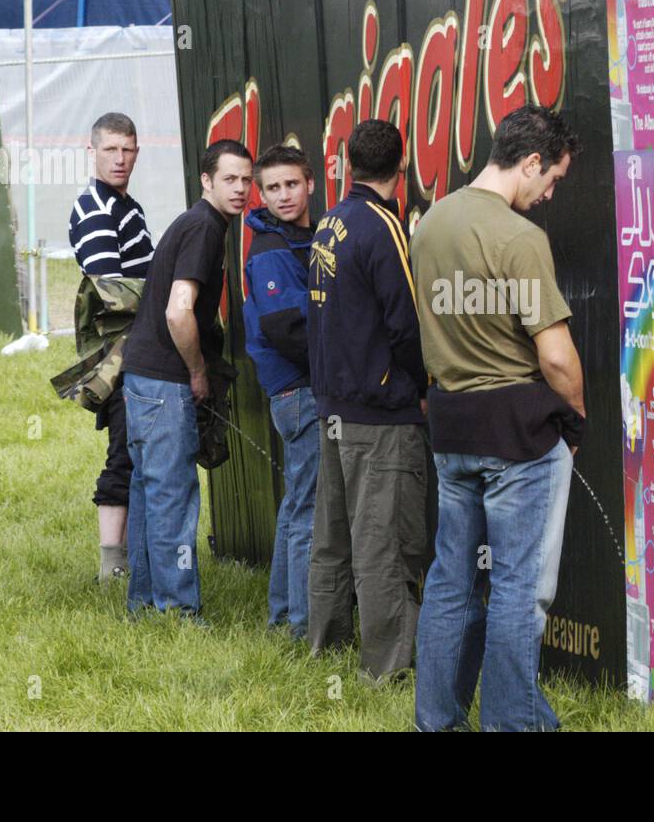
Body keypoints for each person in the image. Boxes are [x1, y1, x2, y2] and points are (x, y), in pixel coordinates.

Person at [411, 105, 586, 732]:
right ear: (531, 161)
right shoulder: (518, 237)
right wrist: (577, 419)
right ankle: (515, 725)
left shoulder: (430, 222)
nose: (549, 193)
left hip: (452, 429)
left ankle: (436, 719)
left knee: (451, 581)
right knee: (517, 590)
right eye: (554, 179)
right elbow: (557, 354)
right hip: (517, 432)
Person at [306, 119, 428, 681]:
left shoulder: (330, 221)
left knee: (333, 536)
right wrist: (421, 387)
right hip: (378, 414)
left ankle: (324, 646)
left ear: (346, 166)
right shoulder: (384, 225)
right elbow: (405, 323)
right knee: (382, 541)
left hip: (332, 404)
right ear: (401, 170)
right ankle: (385, 668)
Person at [120, 139, 252, 618]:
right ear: (206, 181)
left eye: (245, 179)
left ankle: (146, 606)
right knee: (173, 496)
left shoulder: (197, 223)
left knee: (149, 493)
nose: (240, 189)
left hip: (140, 378)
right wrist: (198, 372)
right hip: (164, 383)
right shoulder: (204, 228)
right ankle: (177, 612)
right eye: (229, 179)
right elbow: (180, 312)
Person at [66, 112, 153, 583]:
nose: (120, 159)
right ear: (92, 151)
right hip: (119, 356)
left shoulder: (125, 204)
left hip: (138, 348)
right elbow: (112, 292)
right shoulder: (96, 209)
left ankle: (134, 556)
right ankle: (111, 566)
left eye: (128, 150)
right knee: (123, 451)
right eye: (111, 150)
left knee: (136, 450)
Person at [243, 145, 318, 639]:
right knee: (310, 509)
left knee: (298, 505)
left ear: (310, 183)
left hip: (302, 391)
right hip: (299, 391)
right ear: (261, 193)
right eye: (272, 188)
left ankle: (283, 617)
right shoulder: (269, 249)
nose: (283, 195)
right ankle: (302, 625)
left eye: (291, 184)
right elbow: (285, 329)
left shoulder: (305, 237)